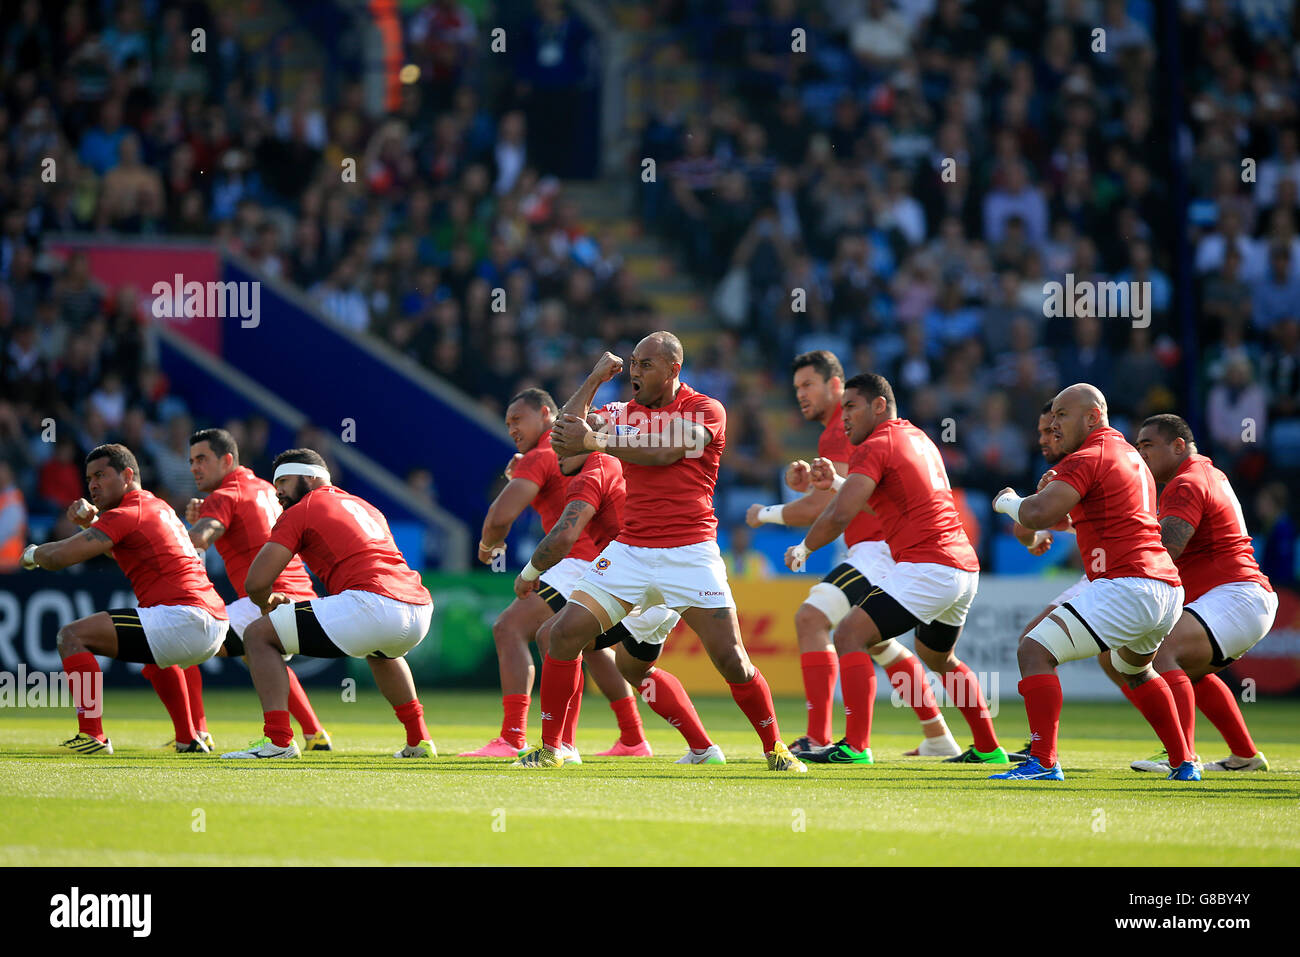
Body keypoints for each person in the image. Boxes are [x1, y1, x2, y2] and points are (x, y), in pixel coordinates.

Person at [529, 333, 806, 771]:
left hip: (690, 553)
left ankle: (776, 749)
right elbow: (565, 433)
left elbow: (664, 453)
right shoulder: (622, 410)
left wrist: (596, 442)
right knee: (562, 635)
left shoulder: (705, 409)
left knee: (732, 659)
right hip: (630, 551)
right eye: (634, 364)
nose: (635, 373)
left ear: (674, 370)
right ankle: (549, 750)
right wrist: (594, 379)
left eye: (646, 365)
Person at [747, 350, 960, 757]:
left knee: (811, 618)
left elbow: (830, 506)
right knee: (879, 644)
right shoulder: (855, 431)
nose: (800, 396)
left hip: (878, 548)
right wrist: (813, 486)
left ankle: (821, 737)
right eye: (796, 389)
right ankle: (939, 737)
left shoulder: (843, 430)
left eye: (808, 385)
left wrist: (766, 514)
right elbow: (838, 491)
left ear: (835, 384)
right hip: (894, 549)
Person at [786, 374, 1004, 765]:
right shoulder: (917, 439)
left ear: (879, 406)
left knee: (851, 633)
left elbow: (840, 514)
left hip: (927, 565)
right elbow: (887, 504)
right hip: (962, 567)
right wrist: (838, 480)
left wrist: (805, 547)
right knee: (939, 658)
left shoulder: (876, 443)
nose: (844, 417)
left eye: (851, 407)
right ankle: (988, 748)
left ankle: (854, 747)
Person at [990, 384, 1199, 781]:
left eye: (1062, 416)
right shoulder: (1128, 455)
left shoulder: (1088, 455)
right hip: (1166, 590)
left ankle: (1044, 763)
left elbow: (1036, 512)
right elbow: (1081, 517)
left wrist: (1007, 501)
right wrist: (1035, 523)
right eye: (1052, 418)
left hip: (1127, 584)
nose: (1054, 425)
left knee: (1033, 650)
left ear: (1092, 416)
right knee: (1135, 669)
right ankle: (1184, 761)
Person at [463, 388, 651, 759]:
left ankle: (517, 736)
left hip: (574, 562)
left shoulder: (541, 453)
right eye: (507, 424)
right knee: (590, 649)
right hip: (606, 560)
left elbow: (500, 516)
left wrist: (487, 546)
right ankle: (632, 738)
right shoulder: (575, 450)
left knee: (509, 628)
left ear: (547, 414)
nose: (512, 429)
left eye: (518, 419)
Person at [512, 448, 724, 764]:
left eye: (562, 442)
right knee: (634, 668)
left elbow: (566, 531)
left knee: (557, 635)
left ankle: (561, 747)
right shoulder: (611, 463)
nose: (557, 453)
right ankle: (702, 749)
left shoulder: (595, 469)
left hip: (642, 579)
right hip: (667, 577)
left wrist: (529, 572)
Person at [220, 449, 435, 759]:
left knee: (257, 635)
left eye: (284, 480)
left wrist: (267, 601)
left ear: (311, 477)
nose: (277, 490)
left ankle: (278, 742)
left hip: (373, 603)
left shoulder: (301, 509)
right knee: (381, 654)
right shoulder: (364, 505)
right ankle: (420, 741)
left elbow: (255, 582)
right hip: (418, 608)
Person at [20, 444, 228, 755]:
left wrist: (33, 553)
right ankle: (189, 738)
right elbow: (120, 547)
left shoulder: (128, 512)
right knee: (157, 660)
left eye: (101, 475)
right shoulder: (156, 506)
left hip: (185, 616)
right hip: (211, 620)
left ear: (128, 475)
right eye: (89, 478)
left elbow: (61, 557)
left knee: (71, 636)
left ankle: (93, 736)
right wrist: (92, 525)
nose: (93, 485)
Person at [1129, 414, 1276, 772]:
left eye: (1148, 445)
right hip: (1242, 596)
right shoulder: (1207, 473)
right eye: (1138, 446)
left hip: (1237, 594)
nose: (1140, 453)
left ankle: (1184, 757)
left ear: (1178, 445)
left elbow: (1167, 548)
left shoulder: (1186, 482)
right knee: (1193, 671)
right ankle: (1244, 756)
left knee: (1163, 651)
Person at [186, 427, 332, 753]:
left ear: (227, 460)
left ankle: (194, 734)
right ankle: (315, 733)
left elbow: (201, 538)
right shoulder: (267, 488)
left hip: (265, 599)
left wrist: (193, 529)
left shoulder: (224, 495)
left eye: (202, 459)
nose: (194, 467)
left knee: (180, 643)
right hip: (303, 597)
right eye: (191, 460)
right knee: (263, 659)